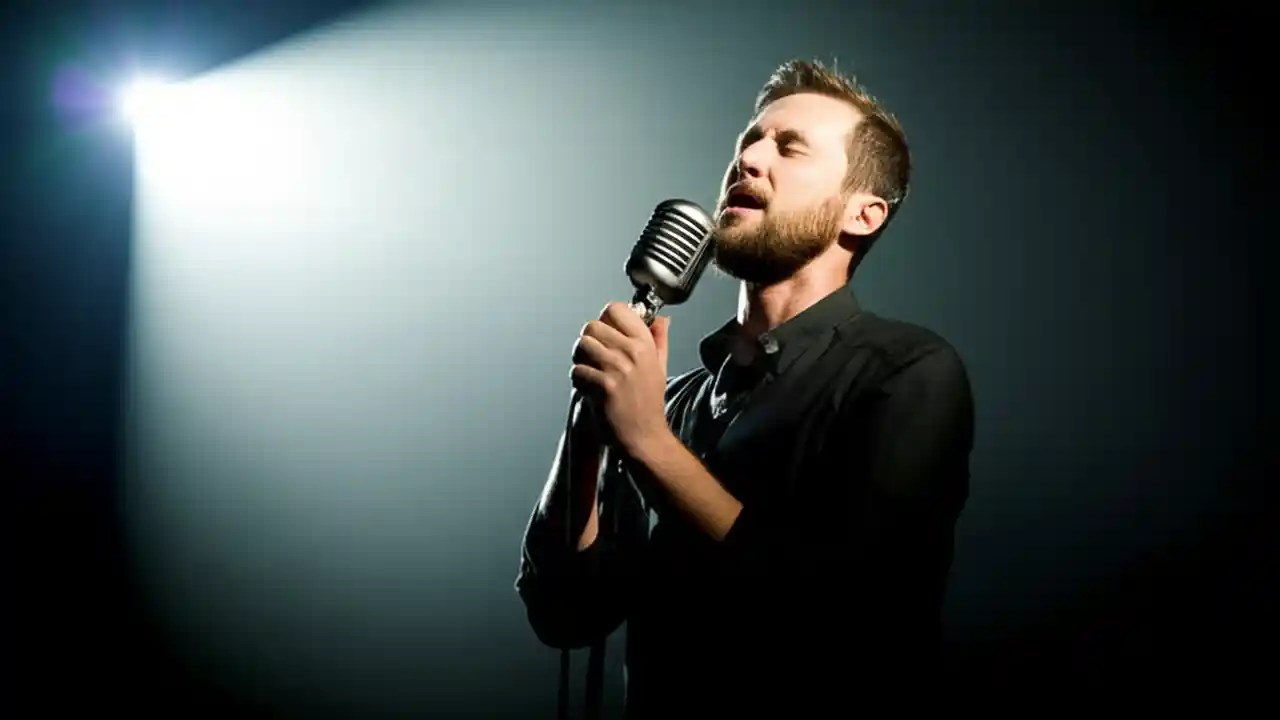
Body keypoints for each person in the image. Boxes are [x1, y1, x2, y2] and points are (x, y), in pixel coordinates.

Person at [515, 58, 974, 718]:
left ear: (863, 213)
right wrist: (589, 434)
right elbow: (565, 615)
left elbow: (845, 615)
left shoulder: (908, 372)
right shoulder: (671, 401)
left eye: (790, 148)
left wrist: (648, 443)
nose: (749, 160)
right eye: (749, 143)